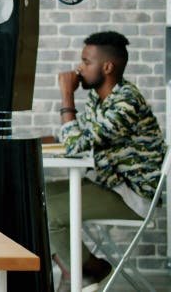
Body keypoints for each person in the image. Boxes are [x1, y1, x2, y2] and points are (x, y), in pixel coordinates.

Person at [47, 31, 165, 291]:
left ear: (108, 67)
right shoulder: (97, 98)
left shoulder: (126, 102)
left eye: (86, 61)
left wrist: (67, 96)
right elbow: (82, 141)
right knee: (34, 197)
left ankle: (82, 273)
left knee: (50, 213)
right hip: (108, 184)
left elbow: (77, 145)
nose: (79, 67)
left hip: (131, 196)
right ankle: (82, 270)